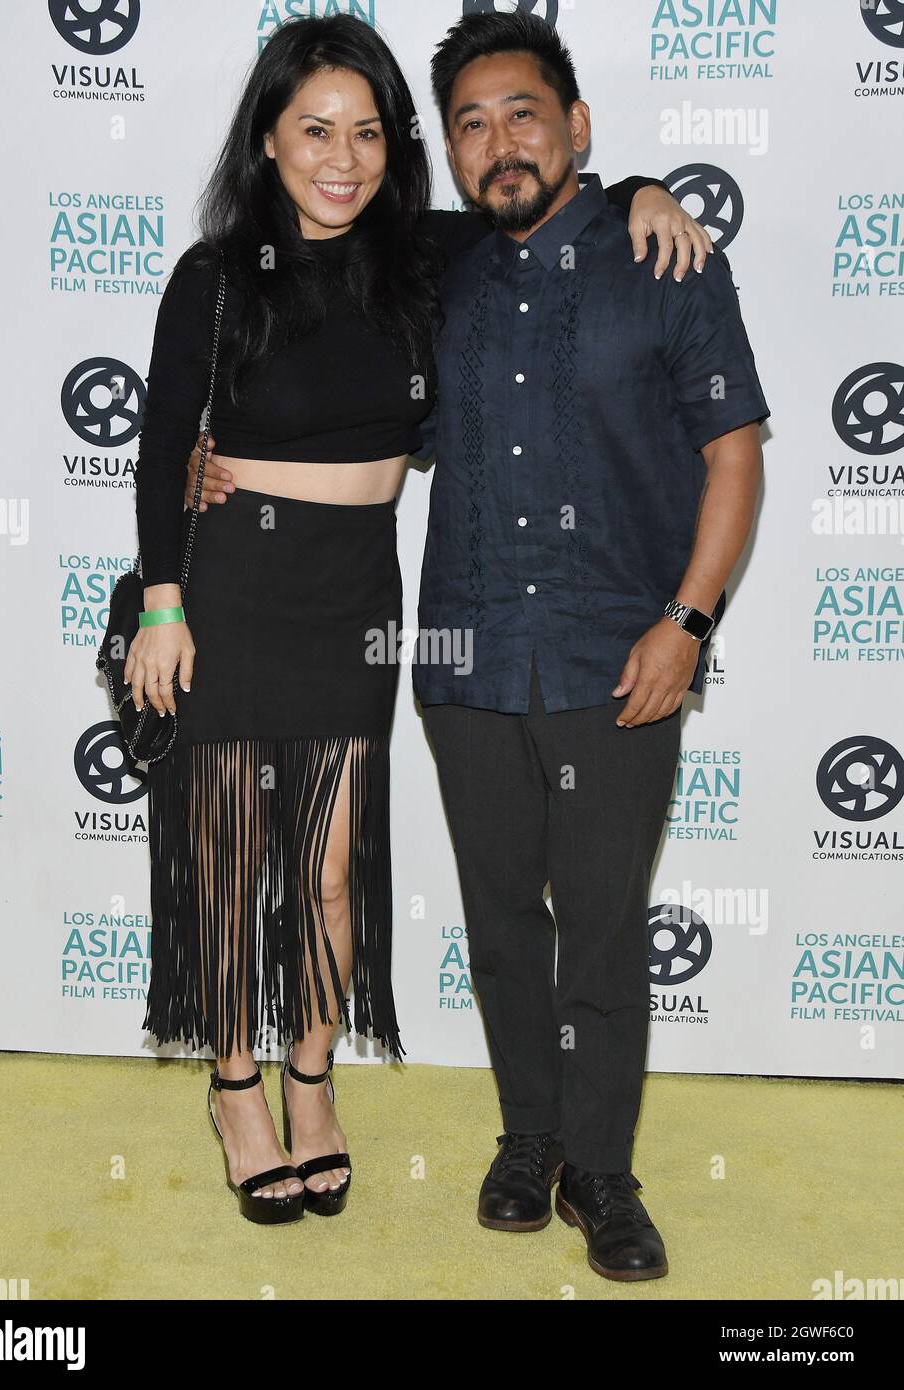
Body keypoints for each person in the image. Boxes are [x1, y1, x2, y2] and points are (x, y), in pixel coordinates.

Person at [156, 15, 710, 1223]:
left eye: (365, 130)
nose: (340, 156)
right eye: (313, 130)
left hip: (358, 597)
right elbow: (161, 449)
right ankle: (236, 1086)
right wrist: (162, 600)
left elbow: (545, 198)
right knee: (232, 861)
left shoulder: (417, 254)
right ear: (266, 138)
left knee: (335, 878)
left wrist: (647, 188)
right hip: (237, 593)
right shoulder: (214, 274)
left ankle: (314, 1080)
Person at [413, 11, 769, 1279]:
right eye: (470, 122)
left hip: (619, 655)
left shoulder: (662, 257)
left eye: (522, 112)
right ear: (448, 151)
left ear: (574, 126)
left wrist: (687, 620)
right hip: (465, 655)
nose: (499, 141)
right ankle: (528, 1139)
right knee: (502, 917)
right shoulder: (433, 268)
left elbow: (734, 455)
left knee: (605, 927)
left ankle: (602, 1175)